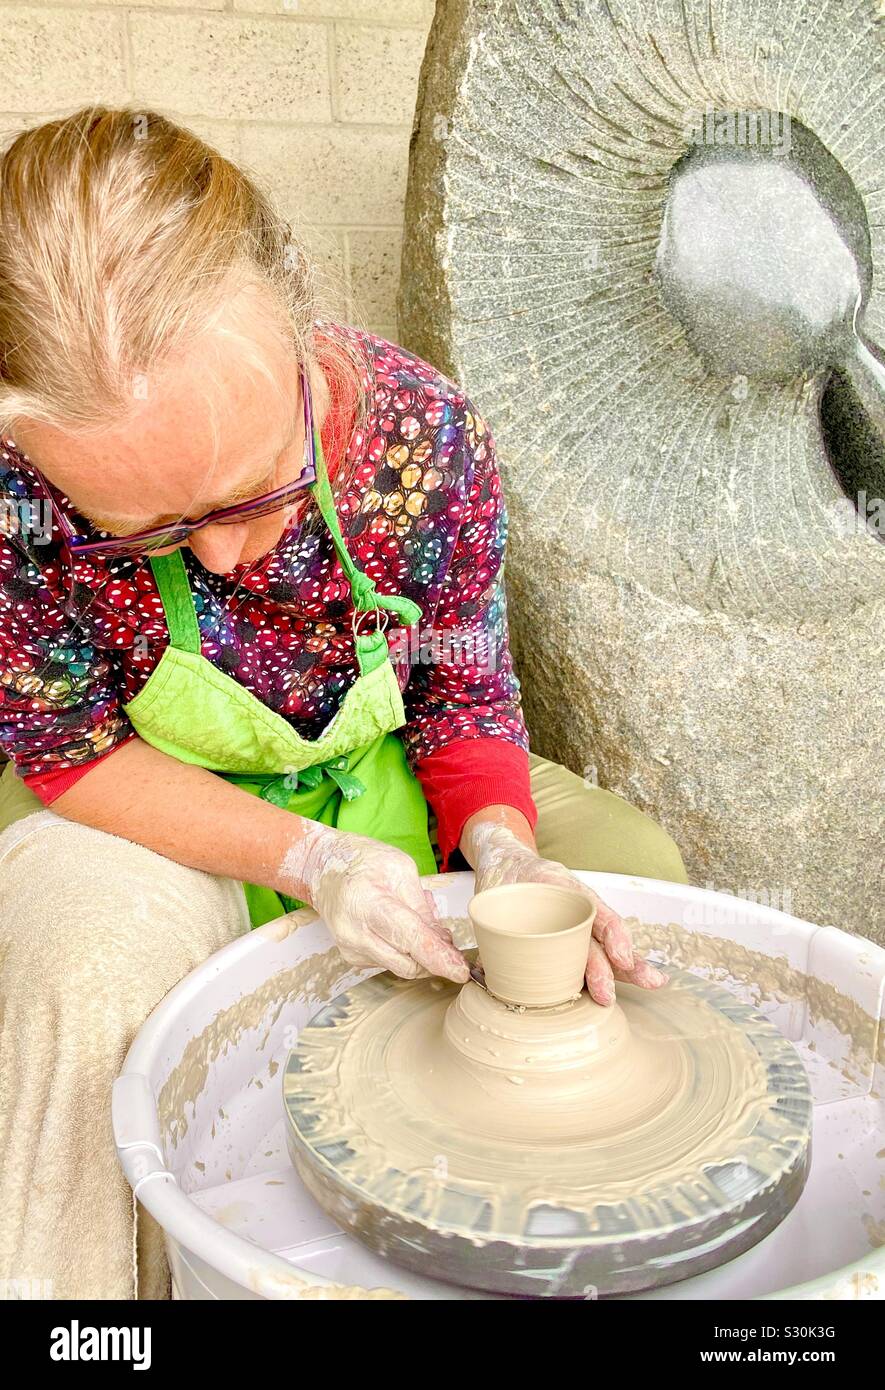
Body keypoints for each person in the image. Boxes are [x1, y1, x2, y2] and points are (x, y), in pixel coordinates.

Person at [0, 107, 687, 1298]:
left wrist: (502, 848)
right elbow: (71, 755)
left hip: (380, 764)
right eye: (142, 533)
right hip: (149, 799)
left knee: (635, 883)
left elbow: (462, 684)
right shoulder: (17, 491)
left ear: (300, 319)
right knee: (84, 964)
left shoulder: (424, 439)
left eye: (253, 490)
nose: (217, 560)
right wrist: (309, 860)